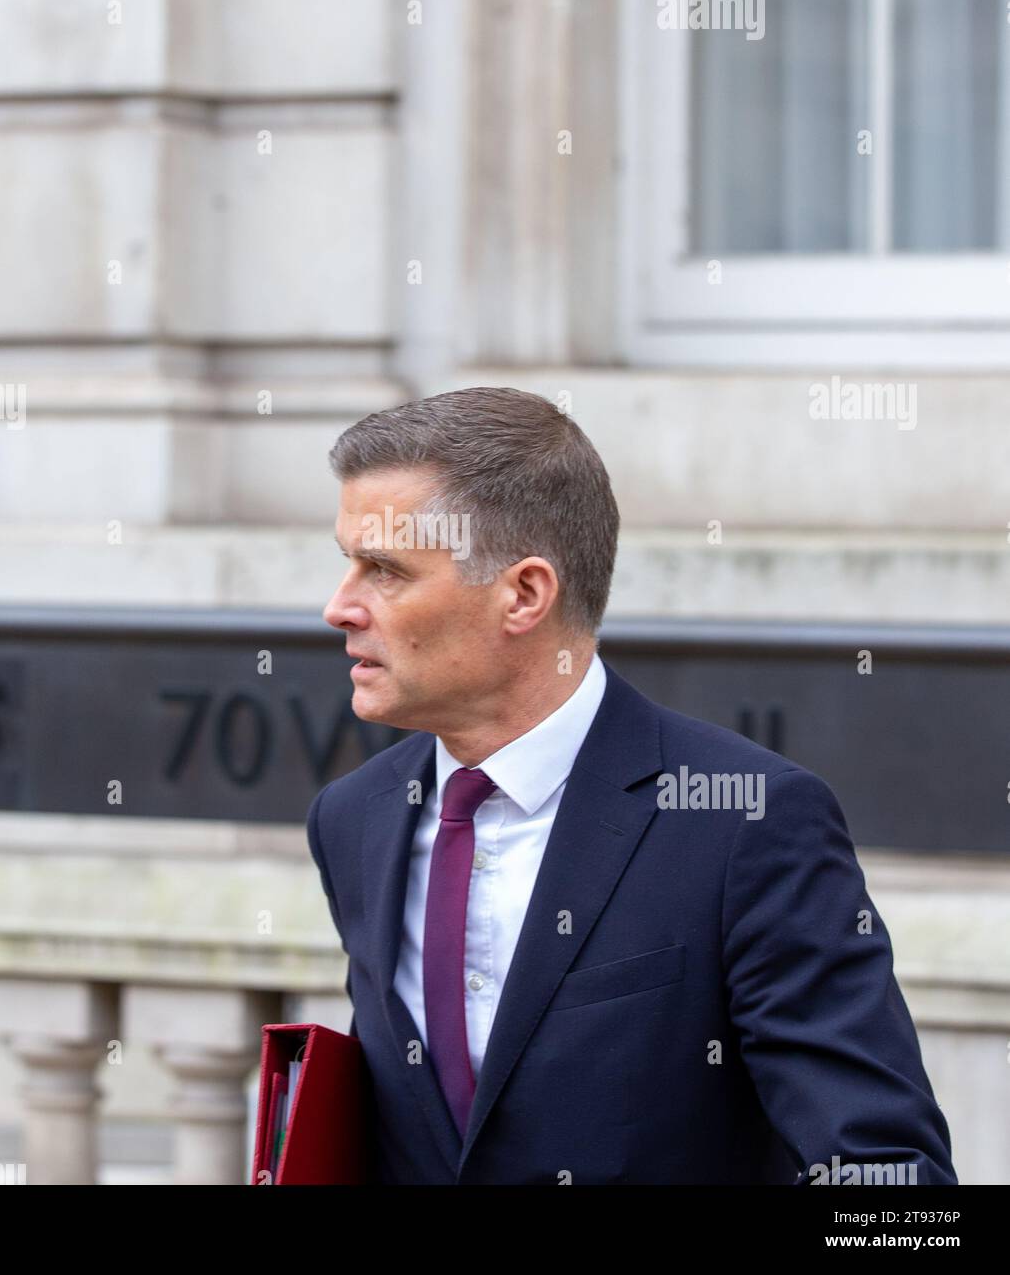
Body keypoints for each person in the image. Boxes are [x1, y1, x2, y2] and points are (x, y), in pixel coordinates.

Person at [306, 385, 956, 1185]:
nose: (339, 607)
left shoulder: (748, 824)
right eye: (348, 563)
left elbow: (887, 1174)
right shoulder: (353, 818)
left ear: (524, 594)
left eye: (384, 570)